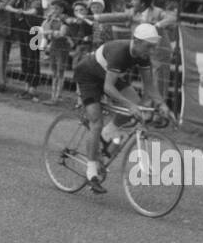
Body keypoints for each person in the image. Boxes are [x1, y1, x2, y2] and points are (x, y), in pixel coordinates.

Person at [70, 23, 170, 193]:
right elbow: (109, 88)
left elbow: (149, 86)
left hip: (107, 75)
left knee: (135, 103)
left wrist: (162, 104)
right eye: (149, 47)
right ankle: (91, 171)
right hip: (88, 75)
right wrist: (130, 105)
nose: (151, 51)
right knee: (96, 121)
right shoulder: (119, 53)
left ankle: (106, 135)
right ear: (137, 41)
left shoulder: (142, 54)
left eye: (154, 47)